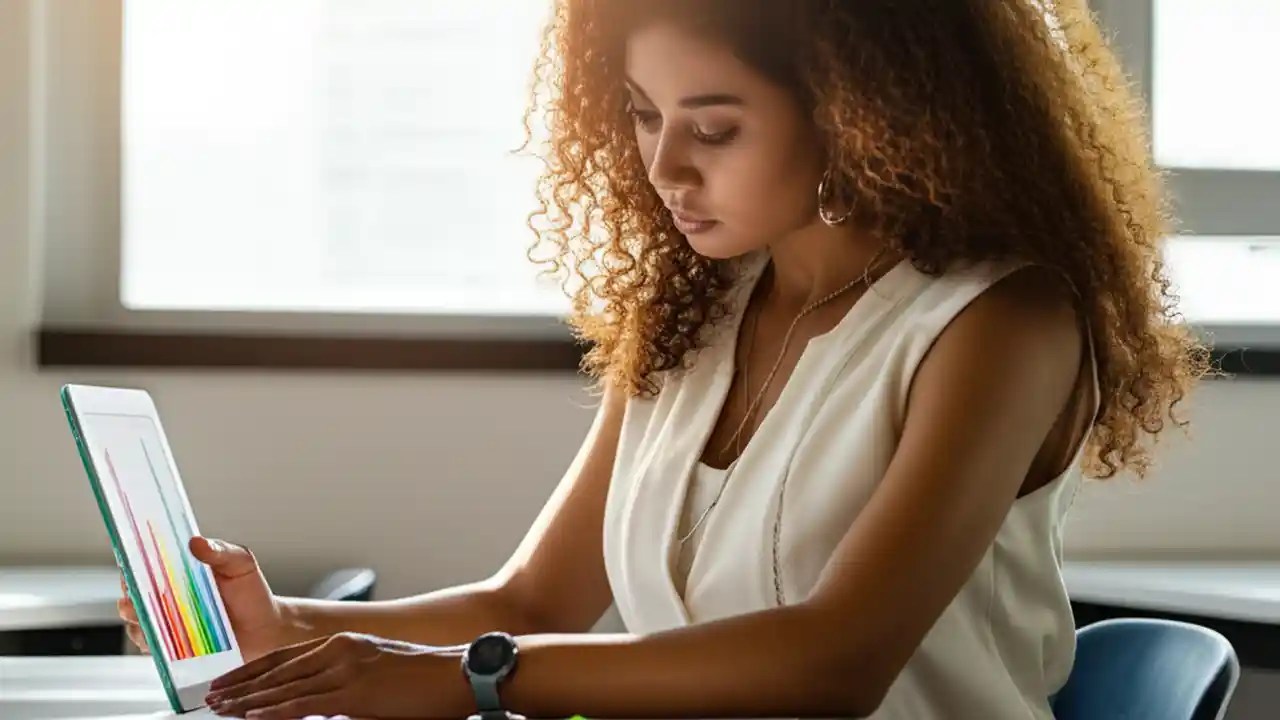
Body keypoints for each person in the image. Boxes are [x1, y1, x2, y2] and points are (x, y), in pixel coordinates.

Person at [118, 1, 1209, 718]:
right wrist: (294, 631)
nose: (663, 167)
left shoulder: (998, 322)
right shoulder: (697, 309)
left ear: (862, 117)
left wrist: (463, 682)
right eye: (641, 117)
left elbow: (832, 663)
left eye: (715, 128)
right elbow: (537, 595)